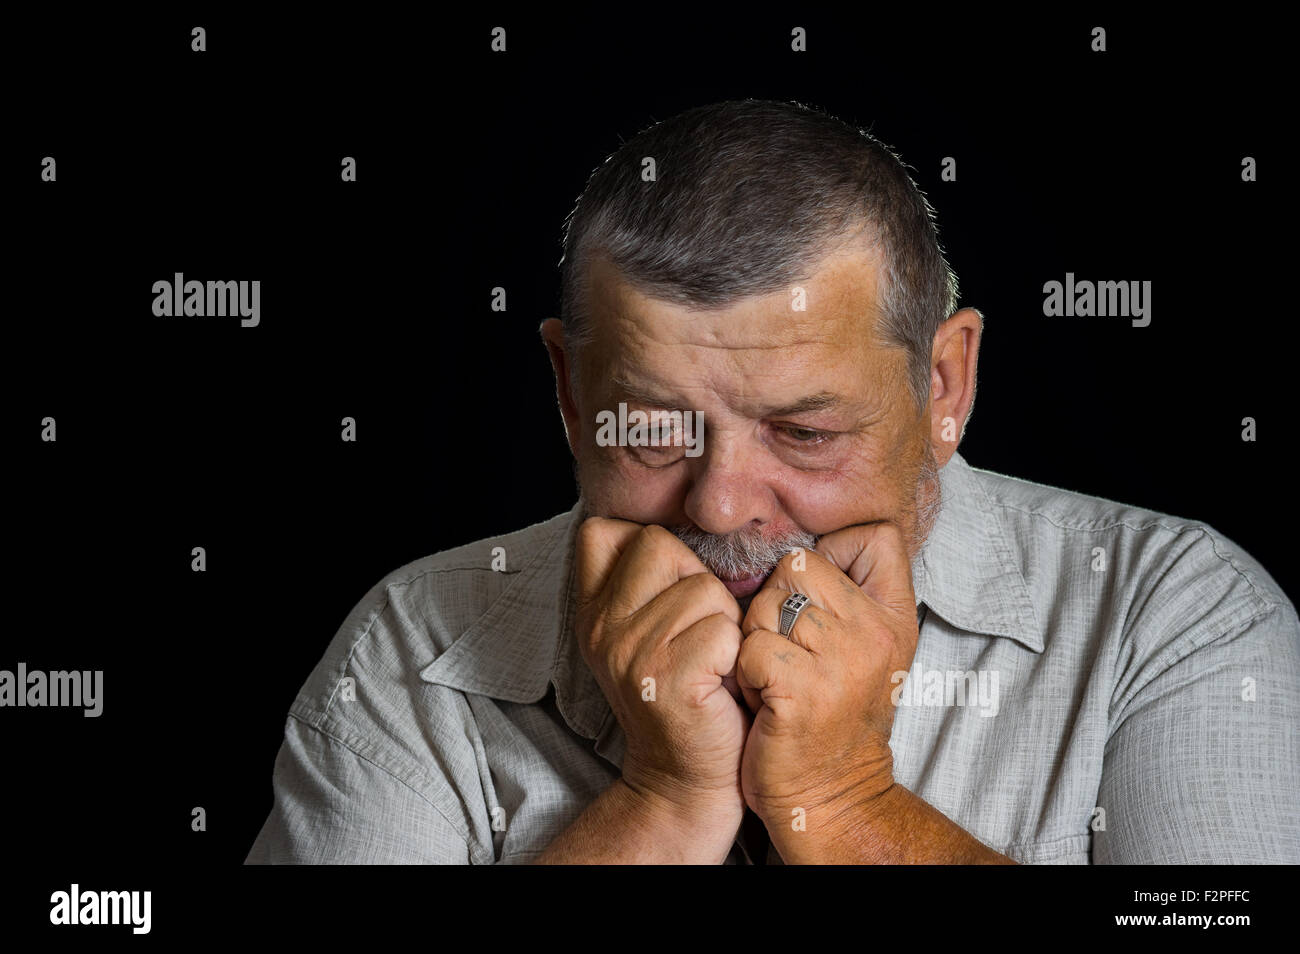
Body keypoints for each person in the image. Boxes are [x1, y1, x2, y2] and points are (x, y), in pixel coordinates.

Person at [247, 99, 1300, 864]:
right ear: (569, 390)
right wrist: (660, 804)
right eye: (654, 429)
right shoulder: (412, 643)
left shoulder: (1174, 614)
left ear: (943, 384)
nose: (719, 505)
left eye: (801, 433)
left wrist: (844, 802)